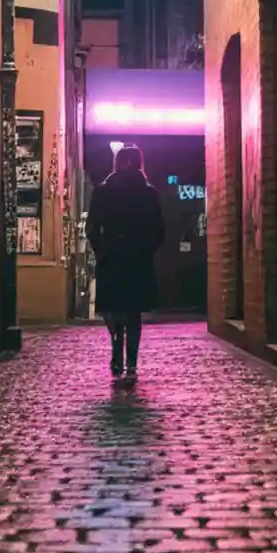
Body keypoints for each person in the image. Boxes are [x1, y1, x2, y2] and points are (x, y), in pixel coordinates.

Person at [87, 144, 165, 381]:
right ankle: (131, 360)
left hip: (111, 257)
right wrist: (145, 249)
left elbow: (92, 228)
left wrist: (101, 250)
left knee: (113, 310)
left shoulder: (103, 191)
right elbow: (159, 231)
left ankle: (117, 351)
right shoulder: (149, 193)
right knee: (133, 313)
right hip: (137, 259)